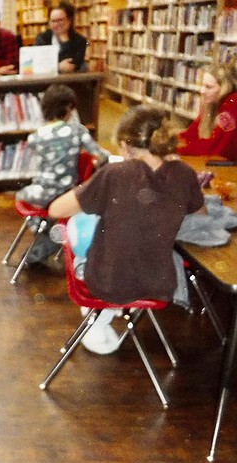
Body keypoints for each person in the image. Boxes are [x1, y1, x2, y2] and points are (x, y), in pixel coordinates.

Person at [49, 104, 205, 354]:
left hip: (109, 283)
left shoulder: (114, 173)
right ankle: (122, 309)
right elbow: (200, 214)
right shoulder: (185, 173)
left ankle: (101, 315)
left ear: (125, 145)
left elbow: (55, 209)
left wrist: (90, 195)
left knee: (81, 230)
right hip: (158, 284)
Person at [15, 83, 109, 264]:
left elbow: (36, 166)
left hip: (41, 193)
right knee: (52, 216)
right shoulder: (78, 131)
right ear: (68, 108)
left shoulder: (35, 137)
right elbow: (100, 155)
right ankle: (51, 233)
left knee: (21, 195)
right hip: (67, 194)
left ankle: (43, 231)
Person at [177, 59, 237, 161]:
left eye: (209, 87)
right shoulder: (212, 104)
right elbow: (190, 135)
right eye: (202, 85)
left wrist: (176, 148)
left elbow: (217, 148)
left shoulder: (233, 103)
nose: (202, 91)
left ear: (225, 88)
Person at [34, 2, 88, 74]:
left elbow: (71, 65)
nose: (56, 24)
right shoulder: (42, 39)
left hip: (71, 81)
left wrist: (65, 41)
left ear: (69, 21)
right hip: (47, 81)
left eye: (60, 20)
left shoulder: (80, 41)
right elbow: (38, 64)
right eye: (53, 21)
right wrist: (58, 67)